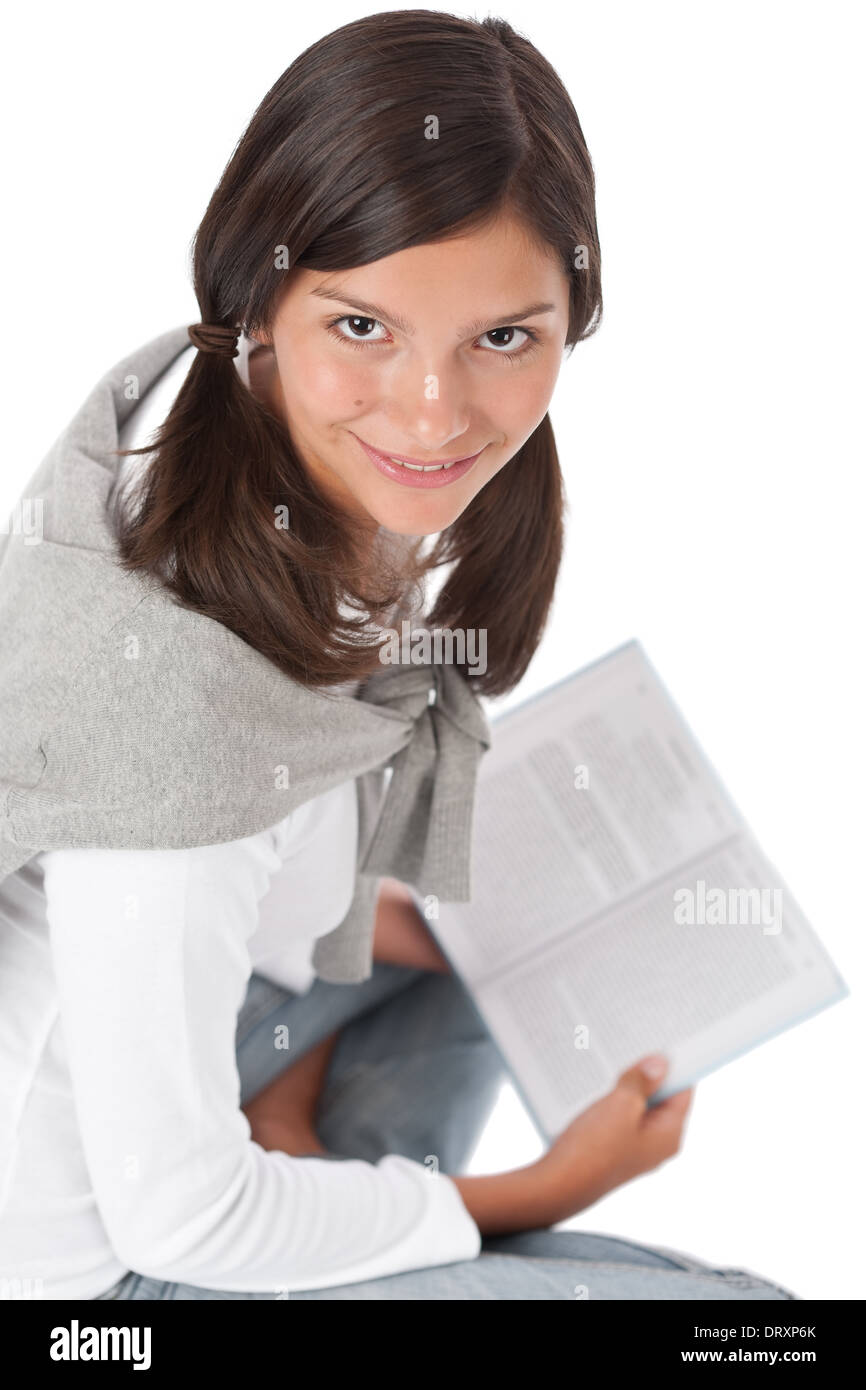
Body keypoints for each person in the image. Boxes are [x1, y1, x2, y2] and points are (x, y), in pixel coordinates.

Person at [0, 10, 799, 1301]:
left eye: (502, 337)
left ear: (568, 320)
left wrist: (306, 1097)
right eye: (362, 328)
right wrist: (543, 1195)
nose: (434, 418)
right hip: (91, 1284)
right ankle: (342, 1209)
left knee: (483, 929)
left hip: (180, 1075)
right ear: (252, 296)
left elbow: (267, 831)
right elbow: (177, 1222)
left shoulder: (216, 412)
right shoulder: (173, 687)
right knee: (745, 1327)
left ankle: (315, 1173)